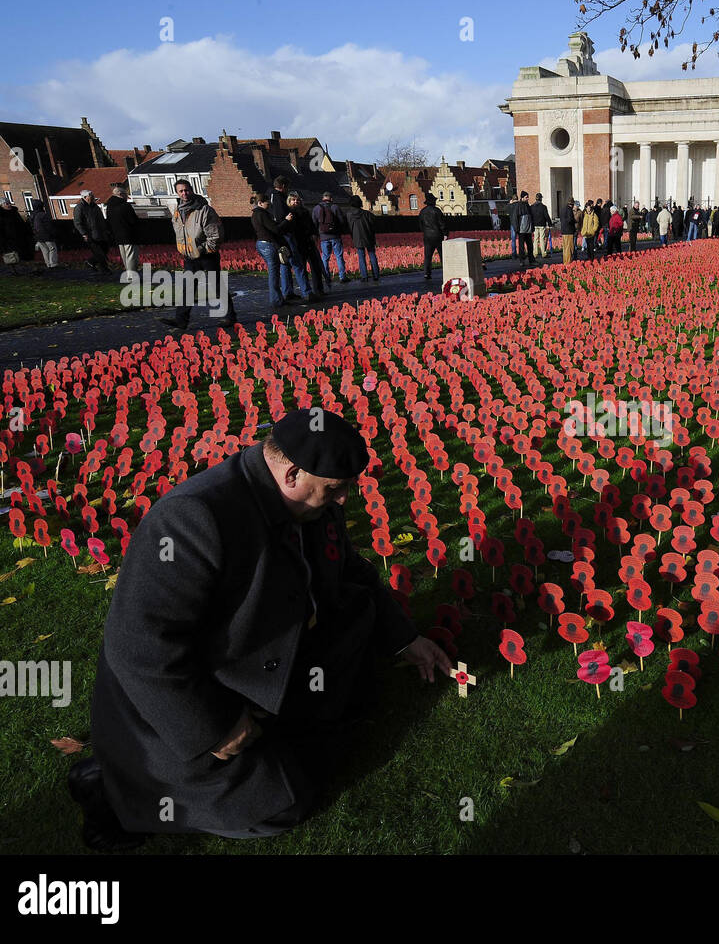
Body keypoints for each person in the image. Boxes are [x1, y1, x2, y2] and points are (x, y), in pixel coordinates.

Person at [71, 409, 453, 848]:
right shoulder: (194, 518)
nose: (344, 499)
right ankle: (118, 790)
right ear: (292, 473)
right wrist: (212, 727)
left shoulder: (311, 503)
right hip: (197, 694)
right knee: (278, 807)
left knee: (356, 627)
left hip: (270, 656)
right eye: (335, 488)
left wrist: (406, 639)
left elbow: (349, 570)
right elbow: (139, 645)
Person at [167, 179, 236, 329]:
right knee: (188, 287)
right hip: (189, 256)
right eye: (181, 191)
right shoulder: (178, 212)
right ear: (177, 193)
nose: (184, 193)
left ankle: (230, 316)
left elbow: (216, 234)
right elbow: (179, 233)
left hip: (207, 254)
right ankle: (181, 320)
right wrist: (184, 249)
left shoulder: (204, 210)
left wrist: (203, 249)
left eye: (186, 190)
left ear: (191, 190)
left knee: (217, 286)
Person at [252, 193, 290, 310]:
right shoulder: (262, 214)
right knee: (274, 274)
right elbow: (275, 229)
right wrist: (286, 221)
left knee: (274, 272)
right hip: (268, 244)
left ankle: (278, 298)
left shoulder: (255, 214)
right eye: (267, 202)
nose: (269, 204)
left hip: (261, 244)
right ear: (260, 203)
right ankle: (276, 300)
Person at [287, 192, 326, 300]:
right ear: (289, 202)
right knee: (302, 268)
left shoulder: (305, 211)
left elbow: (312, 225)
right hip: (298, 243)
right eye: (293, 200)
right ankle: (307, 291)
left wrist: (314, 234)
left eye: (297, 200)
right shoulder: (290, 213)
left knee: (315, 266)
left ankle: (319, 289)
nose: (296, 202)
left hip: (309, 241)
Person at [72, 189, 112, 273]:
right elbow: (77, 222)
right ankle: (104, 269)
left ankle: (91, 262)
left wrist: (105, 229)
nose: (93, 197)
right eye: (91, 196)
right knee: (99, 252)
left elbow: (100, 219)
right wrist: (84, 233)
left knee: (105, 249)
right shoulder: (79, 208)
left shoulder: (95, 206)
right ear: (85, 197)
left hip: (100, 233)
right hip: (90, 234)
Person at [343, 195, 379, 282]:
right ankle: (376, 275)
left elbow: (348, 227)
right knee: (372, 255)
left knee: (361, 257)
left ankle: (364, 276)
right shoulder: (367, 214)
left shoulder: (349, 215)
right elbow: (374, 223)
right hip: (368, 237)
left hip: (357, 238)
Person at [313, 193, 347, 284]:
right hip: (335, 236)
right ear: (331, 198)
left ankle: (326, 277)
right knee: (339, 256)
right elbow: (342, 221)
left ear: (322, 198)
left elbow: (314, 223)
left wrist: (317, 234)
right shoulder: (335, 207)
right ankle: (342, 277)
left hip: (323, 236)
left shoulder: (316, 208)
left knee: (325, 257)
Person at [0, 199, 33, 274]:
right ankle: (14, 270)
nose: (9, 205)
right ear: (2, 205)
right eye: (7, 204)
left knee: (24, 254)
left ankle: (28, 269)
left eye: (9, 203)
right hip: (8, 239)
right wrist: (2, 239)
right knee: (11, 255)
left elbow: (21, 224)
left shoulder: (14, 212)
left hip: (20, 237)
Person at [105, 184, 140, 274]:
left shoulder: (109, 206)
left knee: (125, 257)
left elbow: (108, 220)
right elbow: (133, 220)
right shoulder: (125, 206)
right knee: (131, 257)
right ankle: (132, 276)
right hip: (129, 234)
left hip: (117, 235)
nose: (127, 197)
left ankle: (129, 275)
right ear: (120, 194)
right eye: (125, 194)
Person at [418, 192, 447, 280]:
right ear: (433, 202)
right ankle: (446, 271)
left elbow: (420, 225)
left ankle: (427, 273)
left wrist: (425, 232)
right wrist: (445, 234)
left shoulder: (422, 212)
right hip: (438, 235)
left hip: (427, 236)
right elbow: (442, 223)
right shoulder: (437, 211)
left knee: (427, 256)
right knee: (442, 255)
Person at [32, 205, 58, 270]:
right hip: (47, 236)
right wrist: (53, 233)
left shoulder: (33, 216)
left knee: (45, 251)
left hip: (38, 237)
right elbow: (49, 226)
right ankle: (53, 264)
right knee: (52, 249)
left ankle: (48, 264)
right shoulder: (43, 215)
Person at [512, 191, 535, 268]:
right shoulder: (518, 206)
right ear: (522, 198)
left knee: (530, 245)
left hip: (528, 229)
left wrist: (533, 227)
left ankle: (531, 260)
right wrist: (516, 229)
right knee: (521, 246)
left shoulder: (528, 205)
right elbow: (515, 218)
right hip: (521, 230)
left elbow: (531, 216)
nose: (528, 198)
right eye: (526, 197)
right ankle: (522, 260)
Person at [530, 192, 550, 262]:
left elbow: (531, 216)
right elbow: (546, 216)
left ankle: (535, 253)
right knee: (542, 239)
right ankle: (543, 253)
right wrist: (550, 223)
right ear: (541, 199)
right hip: (542, 224)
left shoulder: (532, 207)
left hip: (534, 225)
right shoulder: (543, 207)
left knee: (535, 239)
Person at [559, 198, 577, 264]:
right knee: (569, 248)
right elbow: (570, 220)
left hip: (563, 230)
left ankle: (565, 261)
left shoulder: (562, 209)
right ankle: (568, 262)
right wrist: (574, 221)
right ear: (572, 204)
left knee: (565, 248)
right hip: (569, 231)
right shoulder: (569, 210)